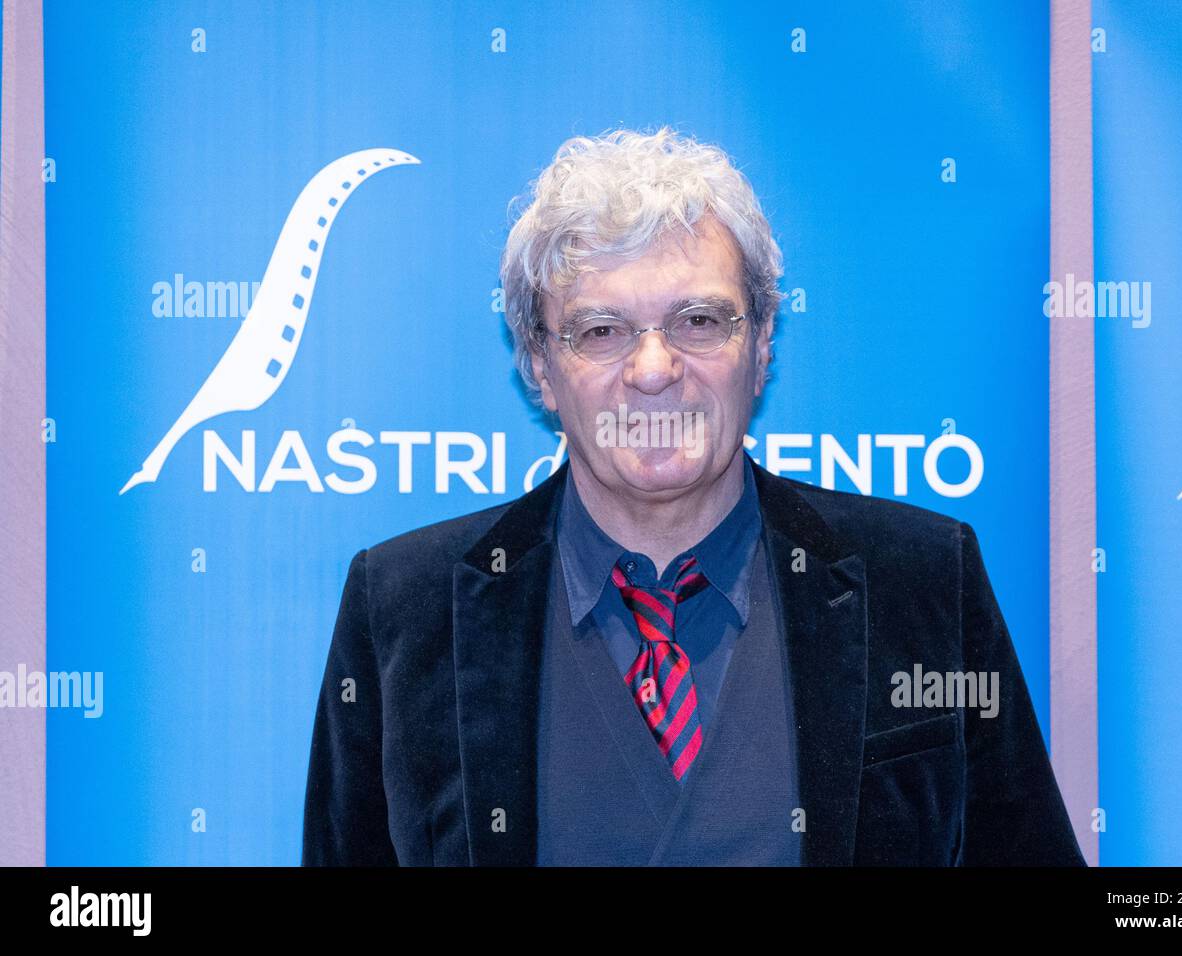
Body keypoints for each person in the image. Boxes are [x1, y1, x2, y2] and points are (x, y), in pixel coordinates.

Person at [302, 126, 1086, 866]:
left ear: (763, 342)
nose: (653, 370)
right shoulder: (404, 609)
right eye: (600, 331)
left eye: (699, 320)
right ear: (538, 365)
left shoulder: (923, 581)